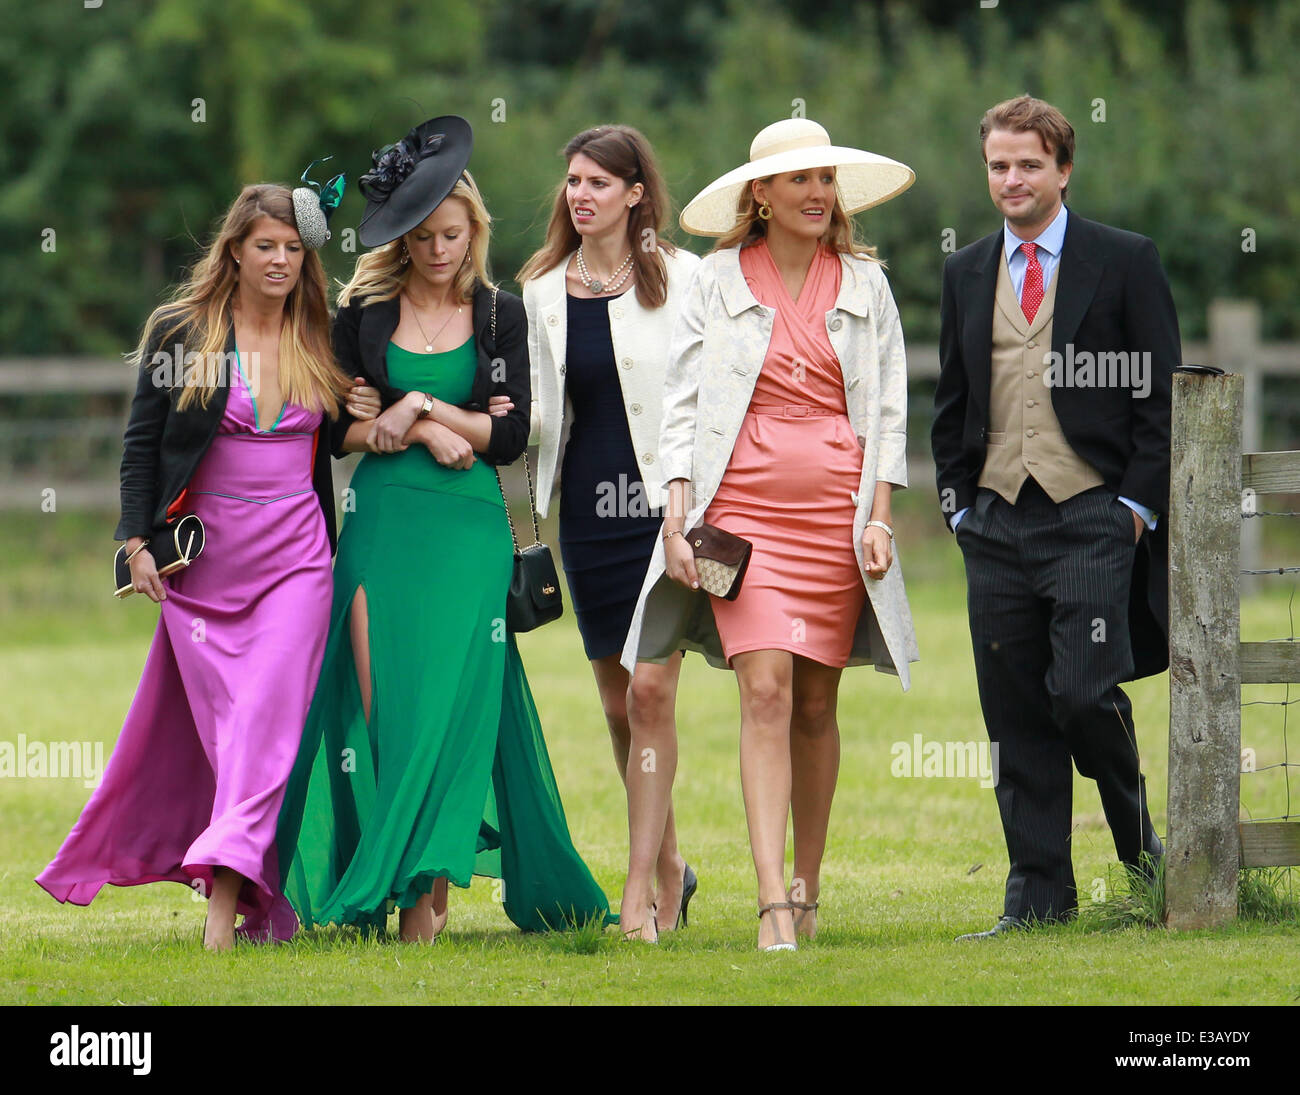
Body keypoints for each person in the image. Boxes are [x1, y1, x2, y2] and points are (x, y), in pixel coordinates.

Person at [275, 116, 611, 942]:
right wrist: (415, 425)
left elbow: (508, 435)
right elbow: (332, 431)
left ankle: (426, 896)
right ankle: (386, 875)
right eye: (422, 237)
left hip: (468, 533)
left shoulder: (501, 315)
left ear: (474, 232)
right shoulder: (362, 312)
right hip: (381, 523)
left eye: (452, 235)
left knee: (450, 711)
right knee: (381, 704)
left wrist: (418, 408)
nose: (438, 251)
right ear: (401, 239)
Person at [36, 181, 379, 951]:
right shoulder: (182, 331)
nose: (282, 261)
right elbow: (140, 446)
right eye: (266, 246)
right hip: (207, 568)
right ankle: (262, 905)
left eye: (294, 249)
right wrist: (134, 540)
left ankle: (223, 917)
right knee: (227, 741)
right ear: (234, 250)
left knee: (264, 727)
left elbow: (347, 430)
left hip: (298, 559)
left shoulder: (324, 331)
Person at [622, 118, 919, 951]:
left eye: (825, 179)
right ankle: (769, 904)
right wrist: (679, 514)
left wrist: (881, 515)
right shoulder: (715, 281)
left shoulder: (866, 284)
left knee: (817, 704)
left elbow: (889, 408)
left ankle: (808, 883)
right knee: (765, 690)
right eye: (800, 181)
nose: (818, 194)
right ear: (762, 196)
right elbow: (680, 405)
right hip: (740, 515)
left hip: (835, 514)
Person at [931, 95, 1177, 939]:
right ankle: (1036, 899)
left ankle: (1145, 857)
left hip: (1093, 516)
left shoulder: (1125, 260)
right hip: (995, 520)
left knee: (1080, 691)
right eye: (999, 164)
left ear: (1063, 169)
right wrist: (959, 506)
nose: (1011, 179)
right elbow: (951, 402)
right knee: (1015, 717)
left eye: (1028, 164)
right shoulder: (963, 272)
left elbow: (1160, 395)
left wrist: (1135, 510)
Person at [516, 125, 700, 943]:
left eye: (598, 182)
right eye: (573, 181)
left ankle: (639, 892)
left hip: (666, 514)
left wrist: (686, 504)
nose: (580, 194)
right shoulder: (540, 292)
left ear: (635, 193)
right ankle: (671, 865)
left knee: (655, 691)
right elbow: (533, 417)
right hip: (588, 517)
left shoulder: (685, 280)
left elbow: (703, 401)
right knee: (620, 704)